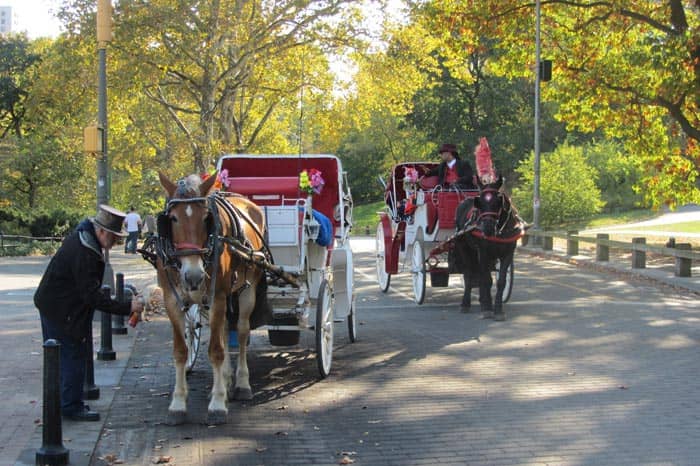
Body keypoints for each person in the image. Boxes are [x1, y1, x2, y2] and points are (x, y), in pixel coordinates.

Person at [34, 204, 144, 421]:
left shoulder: (85, 240)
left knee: (69, 353)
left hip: (57, 304)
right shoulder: (85, 251)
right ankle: (71, 406)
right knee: (72, 353)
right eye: (113, 238)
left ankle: (67, 400)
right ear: (101, 231)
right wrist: (126, 308)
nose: (114, 244)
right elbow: (91, 296)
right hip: (60, 308)